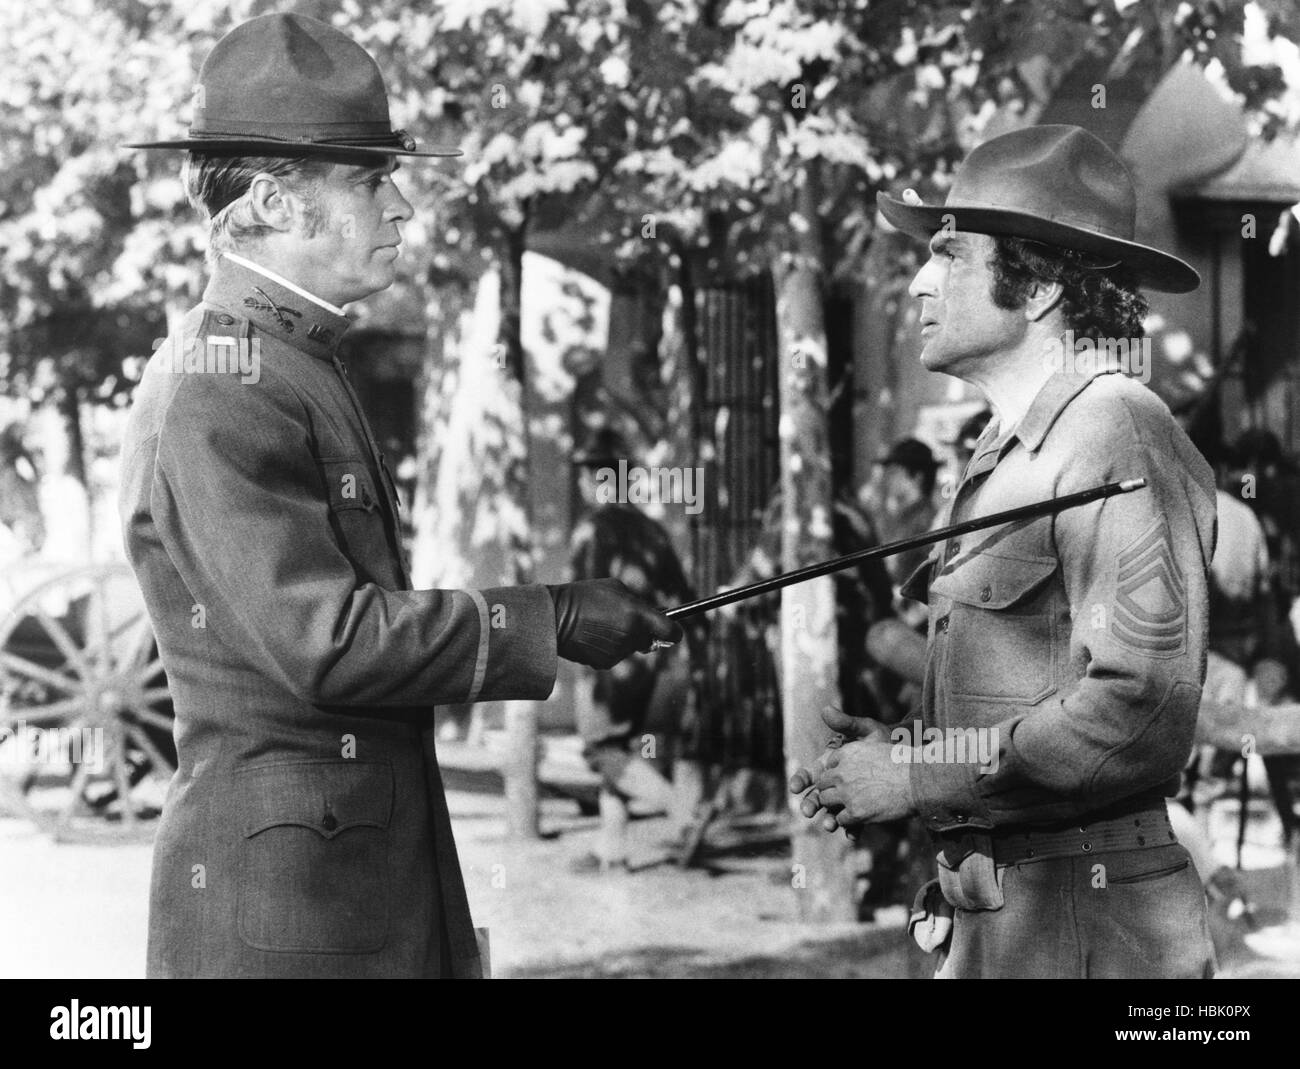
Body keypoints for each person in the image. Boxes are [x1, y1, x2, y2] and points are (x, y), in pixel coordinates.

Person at [118, 13, 678, 978]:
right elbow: (325, 643)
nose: (404, 208)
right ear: (271, 201)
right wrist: (549, 617)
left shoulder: (289, 361)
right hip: (289, 916)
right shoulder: (222, 380)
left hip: (337, 896)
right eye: (371, 181)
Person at [791, 124, 1217, 978]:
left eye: (950, 254)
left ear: (1042, 284)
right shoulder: (1005, 452)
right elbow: (1035, 690)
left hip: (1092, 927)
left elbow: (1136, 709)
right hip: (1008, 920)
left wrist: (918, 778)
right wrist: (913, 751)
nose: (918, 281)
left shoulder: (1116, 430)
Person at [565, 426, 699, 871]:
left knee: (601, 750)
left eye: (587, 474)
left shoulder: (591, 532)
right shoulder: (652, 529)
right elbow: (683, 595)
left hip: (607, 658)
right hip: (652, 657)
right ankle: (613, 849)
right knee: (619, 747)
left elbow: (580, 598)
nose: (582, 483)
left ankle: (682, 812)